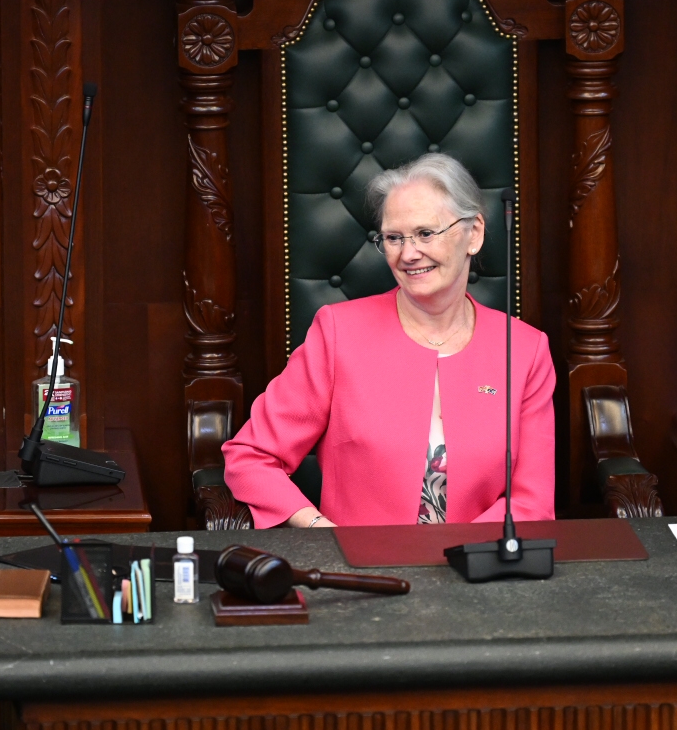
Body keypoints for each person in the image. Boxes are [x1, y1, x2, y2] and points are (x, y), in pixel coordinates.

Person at [222, 153, 555, 527]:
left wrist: (458, 560)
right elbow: (251, 457)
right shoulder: (337, 333)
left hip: (478, 572)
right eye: (394, 238)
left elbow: (532, 502)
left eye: (426, 233)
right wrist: (321, 532)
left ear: (473, 233)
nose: (409, 254)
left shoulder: (525, 350)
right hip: (360, 575)